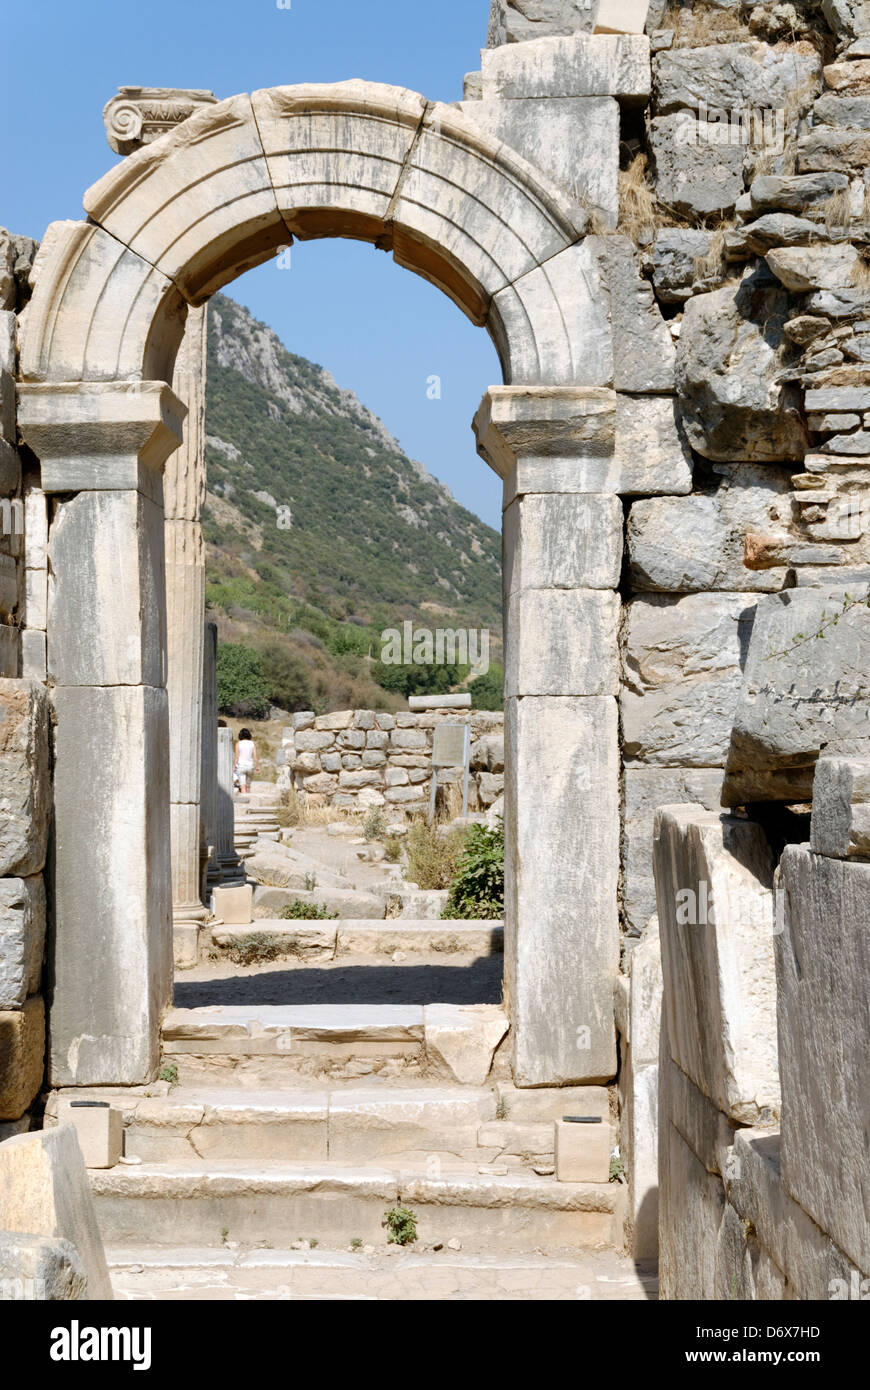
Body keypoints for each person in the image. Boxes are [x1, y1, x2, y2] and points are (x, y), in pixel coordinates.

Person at [234, 727, 259, 796]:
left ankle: (244, 803)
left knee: (242, 786)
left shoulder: (238, 743)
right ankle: (249, 801)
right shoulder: (252, 743)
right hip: (250, 766)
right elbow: (255, 756)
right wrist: (257, 766)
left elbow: (236, 757)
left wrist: (234, 767)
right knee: (248, 786)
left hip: (241, 766)